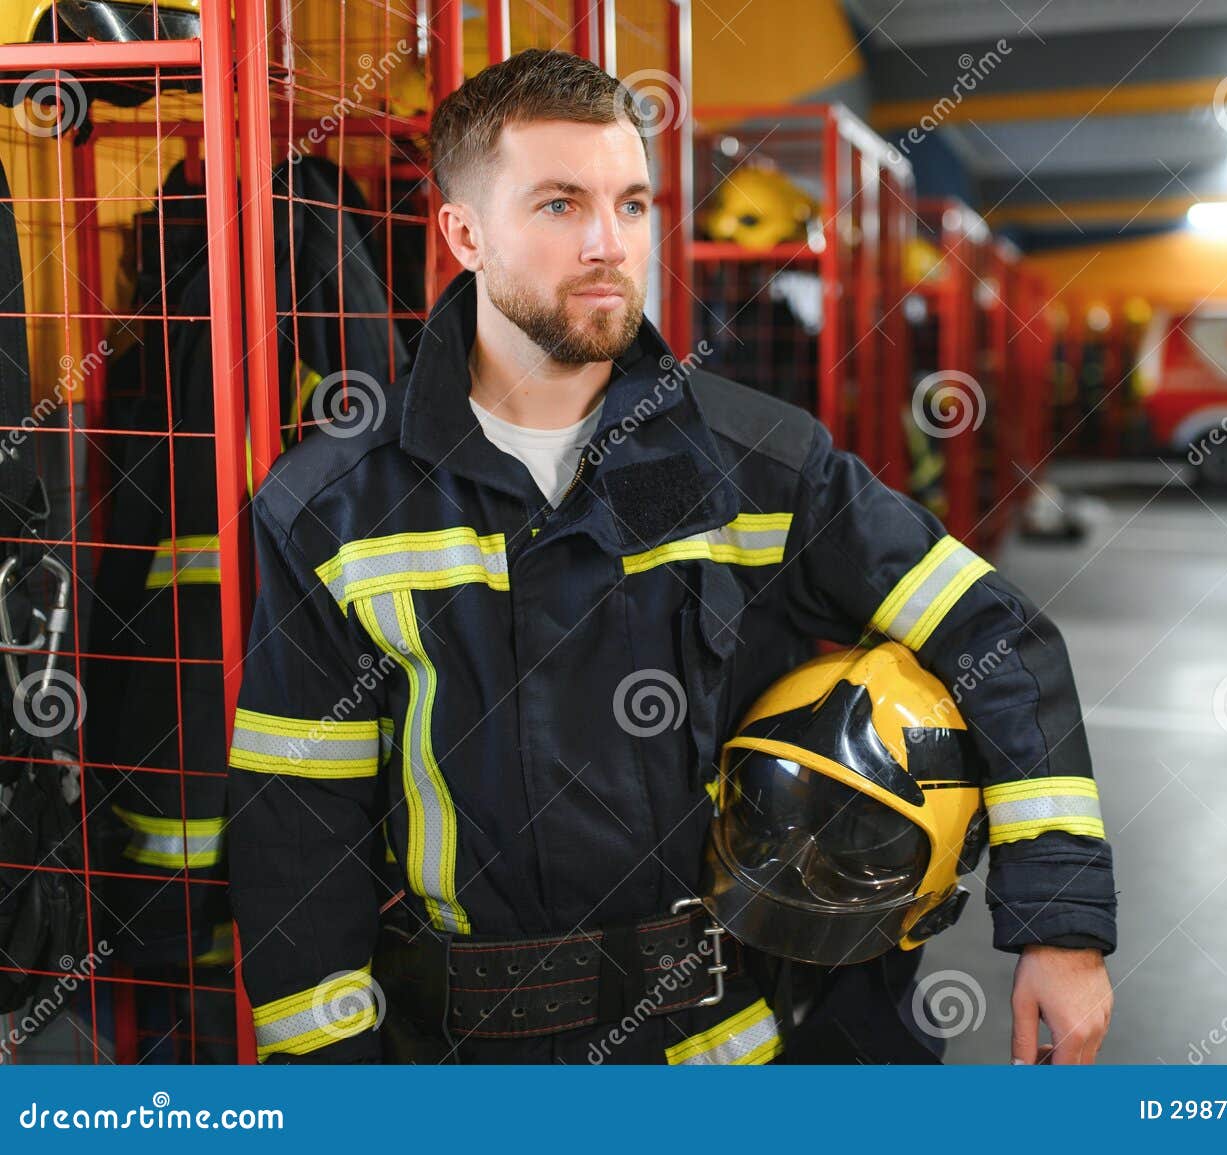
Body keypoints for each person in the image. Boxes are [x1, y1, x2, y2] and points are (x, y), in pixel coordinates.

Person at [224, 48, 1116, 1065]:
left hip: (733, 1044)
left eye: (633, 203)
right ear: (464, 234)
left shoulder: (763, 465)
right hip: (467, 1054)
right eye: (559, 206)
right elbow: (298, 823)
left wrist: (1060, 924)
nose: (609, 244)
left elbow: (999, 635)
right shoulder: (335, 509)